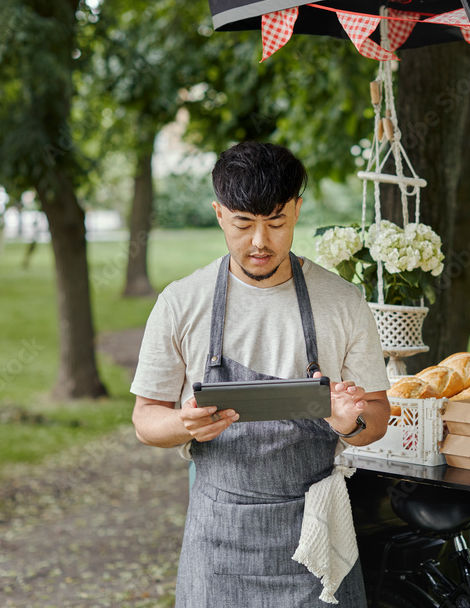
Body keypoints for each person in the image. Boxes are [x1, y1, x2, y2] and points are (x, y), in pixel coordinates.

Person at [130, 141, 390, 607]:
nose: (259, 243)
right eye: (243, 224)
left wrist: (349, 422)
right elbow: (146, 418)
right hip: (218, 539)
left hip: (314, 531)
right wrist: (182, 424)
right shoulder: (181, 302)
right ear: (218, 214)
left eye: (276, 223)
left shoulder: (342, 301)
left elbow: (377, 416)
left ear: (296, 210)